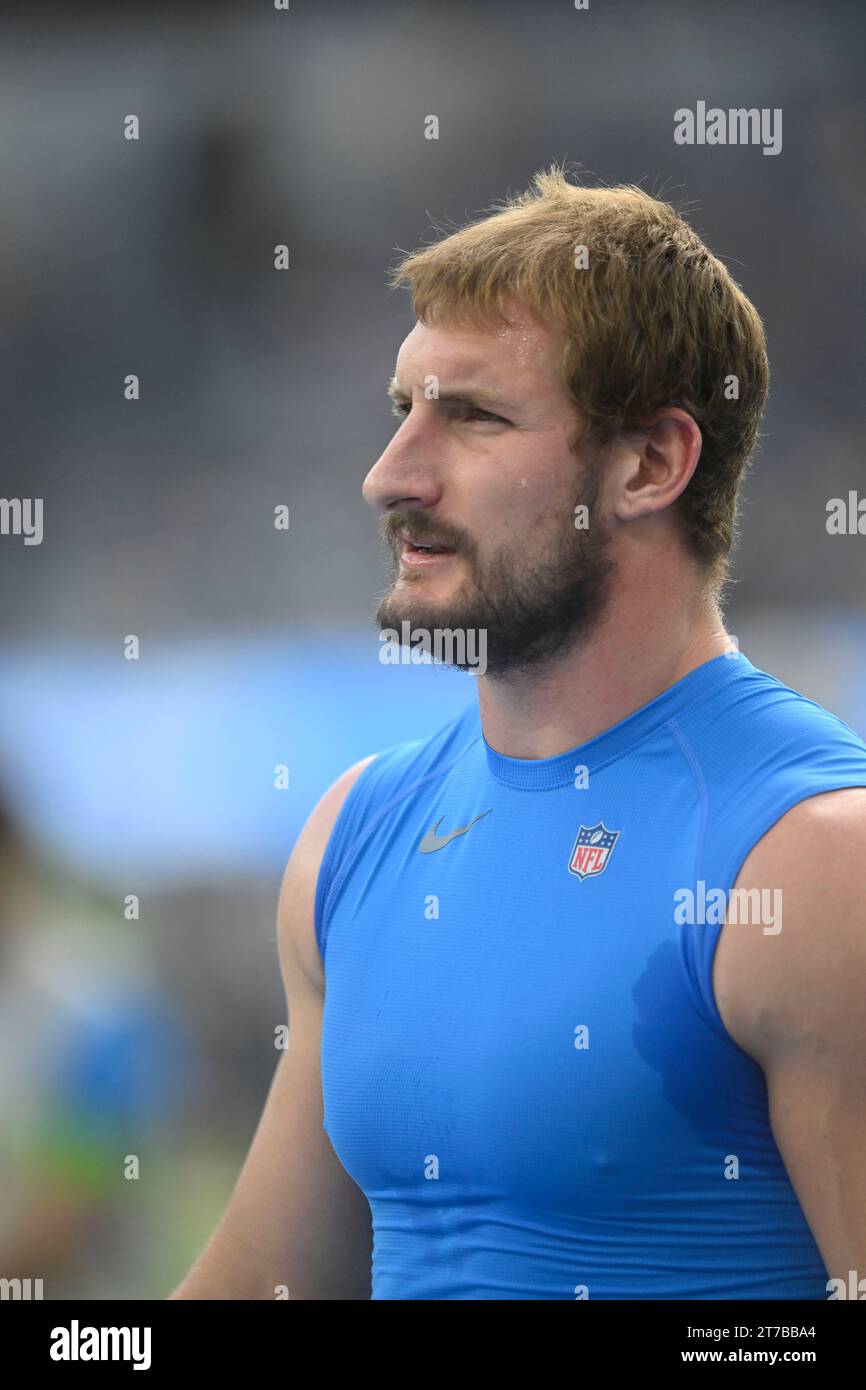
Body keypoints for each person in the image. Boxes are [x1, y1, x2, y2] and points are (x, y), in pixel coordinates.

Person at [171, 166, 866, 1300]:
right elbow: (266, 1287)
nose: (388, 476)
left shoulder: (811, 861)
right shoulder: (356, 832)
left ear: (648, 464)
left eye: (473, 417)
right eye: (402, 409)